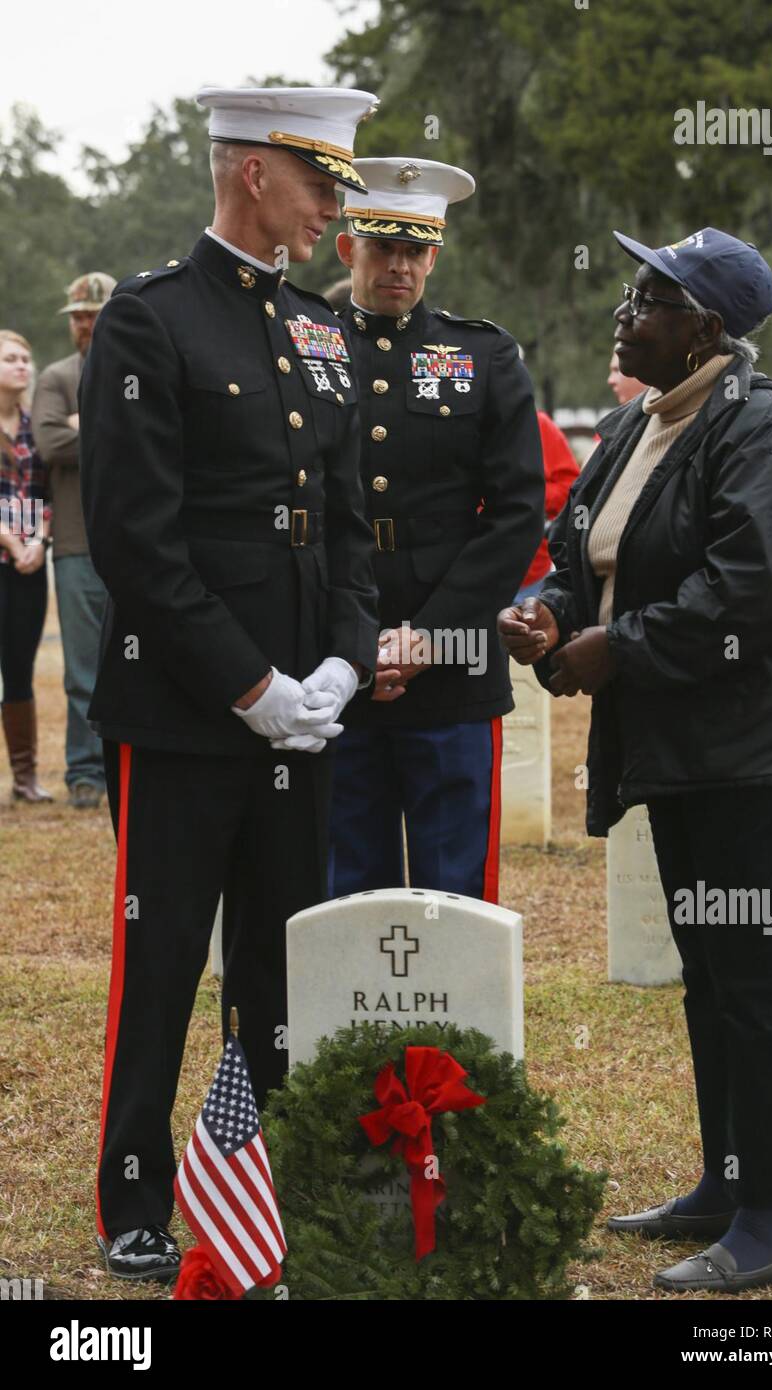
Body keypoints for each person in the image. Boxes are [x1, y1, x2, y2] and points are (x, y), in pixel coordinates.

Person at [498, 227, 772, 1294]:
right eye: (627, 288)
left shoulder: (763, 435)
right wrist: (550, 613)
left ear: (705, 327)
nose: (623, 309)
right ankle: (722, 1182)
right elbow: (584, 557)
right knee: (708, 975)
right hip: (682, 748)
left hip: (754, 753)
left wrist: (620, 648)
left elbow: (750, 590)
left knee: (750, 982)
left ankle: (768, 1222)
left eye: (648, 296)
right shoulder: (633, 426)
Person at [79, 85, 381, 1282]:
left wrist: (343, 664)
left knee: (279, 958)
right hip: (188, 712)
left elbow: (353, 529)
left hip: (303, 714)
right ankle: (137, 1197)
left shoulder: (317, 328)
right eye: (319, 186)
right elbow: (137, 543)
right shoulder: (151, 324)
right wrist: (252, 684)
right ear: (252, 171)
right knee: (162, 958)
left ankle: (265, 1172)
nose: (333, 214)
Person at [329, 157, 544, 901]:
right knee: (346, 884)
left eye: (415, 249)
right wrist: (356, 644)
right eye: (383, 245)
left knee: (457, 894)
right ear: (346, 248)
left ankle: (454, 1026)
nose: (400, 265)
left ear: (434, 256)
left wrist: (430, 633)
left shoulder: (485, 356)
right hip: (333, 656)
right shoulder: (306, 349)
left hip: (451, 663)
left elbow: (517, 510)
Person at [32, 273, 116, 809]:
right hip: (76, 542)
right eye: (76, 316)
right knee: (83, 666)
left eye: (91, 313)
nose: (82, 323)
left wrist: (88, 425)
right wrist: (113, 429)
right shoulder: (57, 377)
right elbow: (48, 441)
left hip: (134, 543)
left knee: (132, 664)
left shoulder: (136, 366)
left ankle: (124, 765)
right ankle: (85, 772)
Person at [0, 330, 53, 803]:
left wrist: (36, 541)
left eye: (25, 358)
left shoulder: (35, 427)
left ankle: (25, 777)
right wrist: (11, 544)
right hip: (6, 555)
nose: (21, 365)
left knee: (19, 667)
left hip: (27, 567)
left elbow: (43, 494)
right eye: (10, 358)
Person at [515, 409, 578, 602]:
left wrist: (521, 496)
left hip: (529, 577)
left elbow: (572, 490)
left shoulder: (538, 423)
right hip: (469, 573)